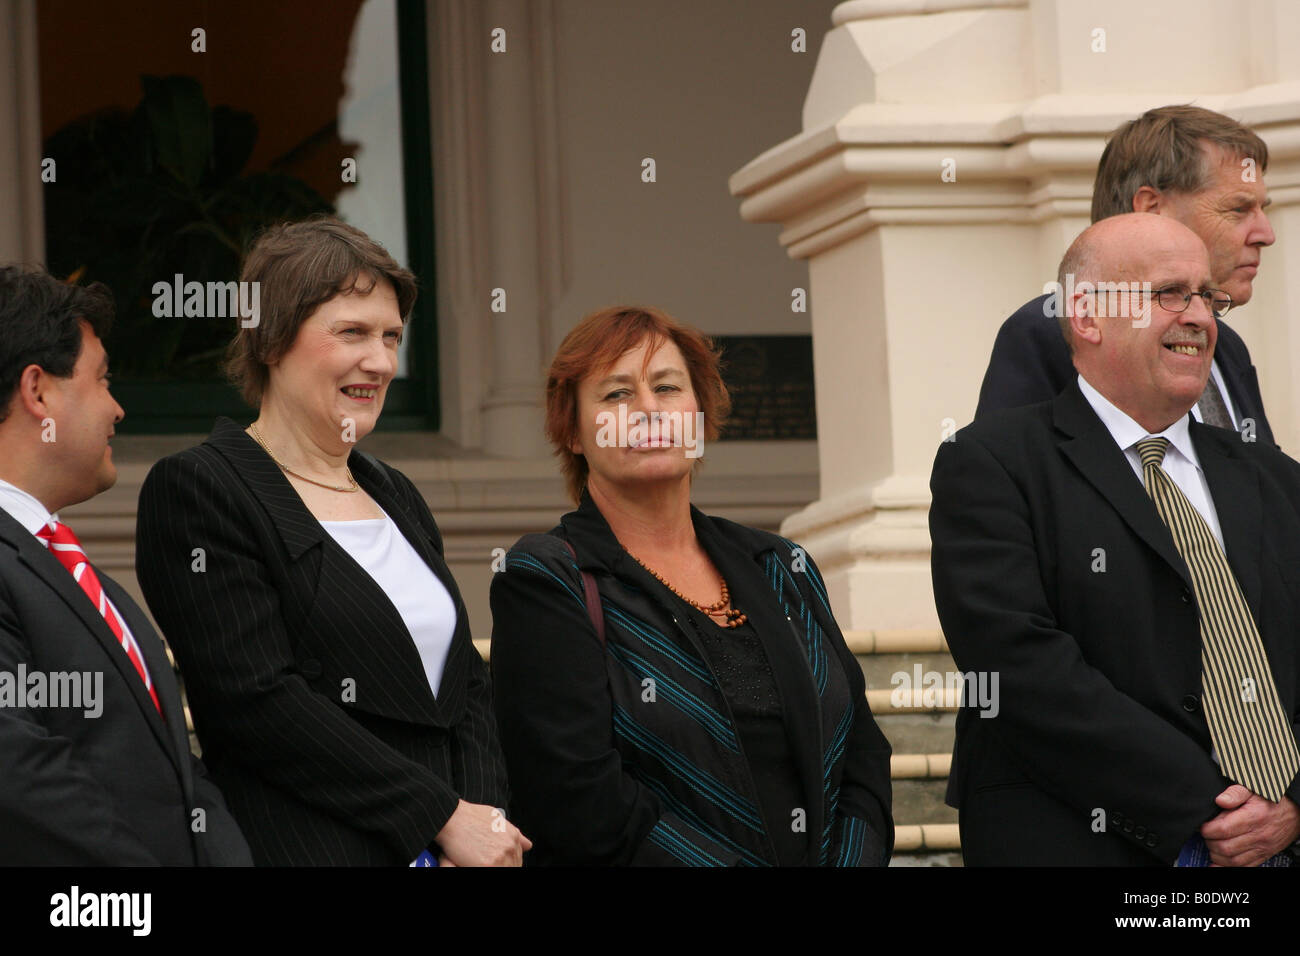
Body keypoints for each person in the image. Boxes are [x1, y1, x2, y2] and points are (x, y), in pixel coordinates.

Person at [135, 217, 529, 866]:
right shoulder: (201, 490)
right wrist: (440, 817)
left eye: (391, 337)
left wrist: (480, 823)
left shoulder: (392, 491)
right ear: (270, 339)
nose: (380, 361)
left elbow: (467, 684)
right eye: (352, 332)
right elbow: (258, 704)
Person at [931, 213, 1300, 866]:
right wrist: (1206, 805)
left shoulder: (1274, 476)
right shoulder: (993, 461)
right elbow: (1017, 665)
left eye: (1208, 298)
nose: (1201, 318)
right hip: (1093, 839)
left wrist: (1290, 800)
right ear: (1087, 318)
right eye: (1169, 294)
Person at [490, 305, 893, 866]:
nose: (648, 410)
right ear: (573, 432)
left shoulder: (781, 567)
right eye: (616, 395)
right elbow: (577, 800)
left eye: (667, 387)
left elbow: (861, 755)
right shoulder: (547, 579)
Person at [0, 266, 250, 865]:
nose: (117, 409)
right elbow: (19, 772)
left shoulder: (81, 577)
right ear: (38, 392)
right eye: (103, 378)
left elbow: (176, 775)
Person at [976, 105, 1276, 446]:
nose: (1266, 234)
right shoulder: (1049, 331)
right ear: (1151, 209)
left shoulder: (1227, 345)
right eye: (1238, 209)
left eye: (1261, 210)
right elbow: (1007, 480)